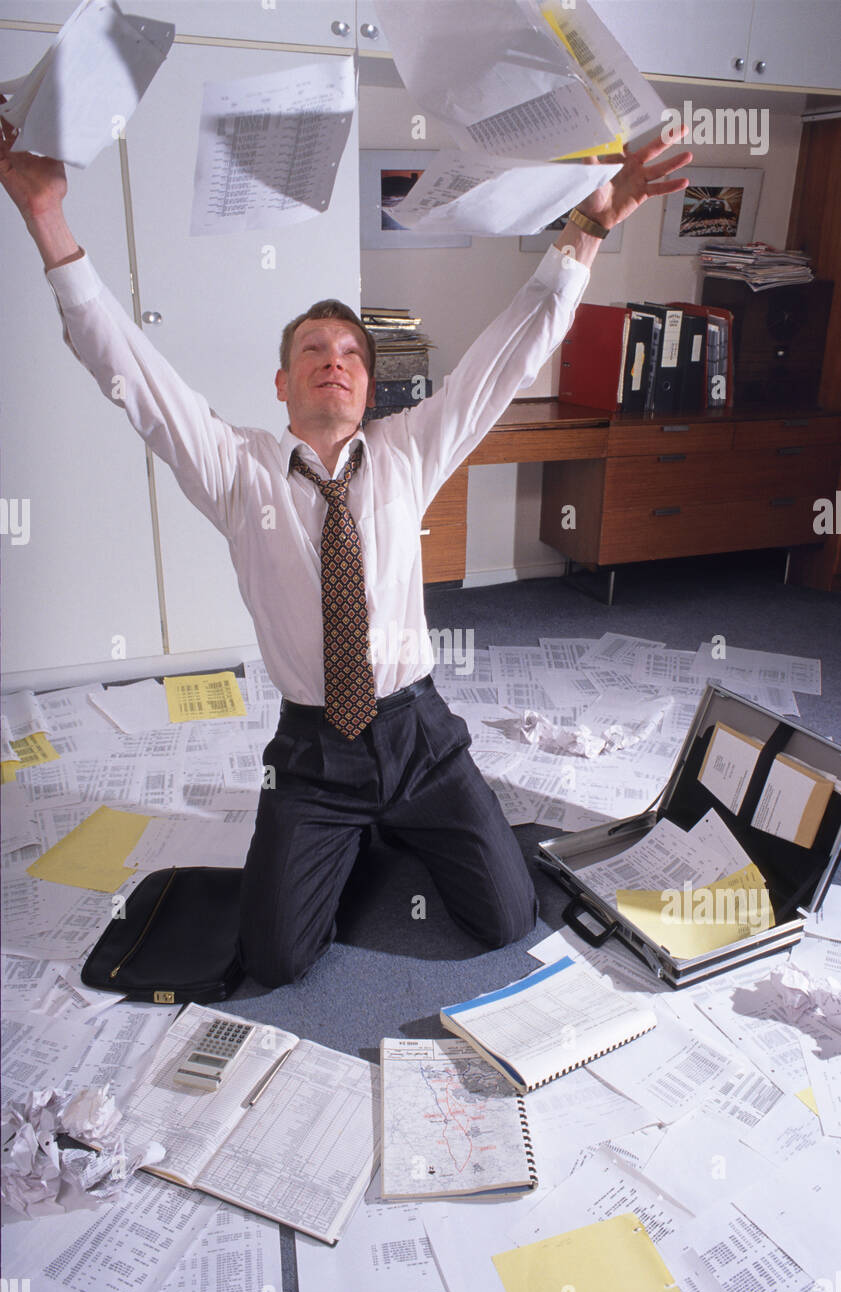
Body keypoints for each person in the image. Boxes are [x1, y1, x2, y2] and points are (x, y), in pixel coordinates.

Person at [0, 114, 691, 987]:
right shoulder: (235, 467)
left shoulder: (407, 450)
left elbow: (504, 362)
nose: (336, 361)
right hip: (314, 753)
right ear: (282, 384)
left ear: (370, 385)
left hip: (418, 735)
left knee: (504, 918)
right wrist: (46, 216)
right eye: (313, 351)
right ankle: (356, 838)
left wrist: (586, 228)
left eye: (353, 355)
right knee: (279, 958)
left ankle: (409, 828)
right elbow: (128, 372)